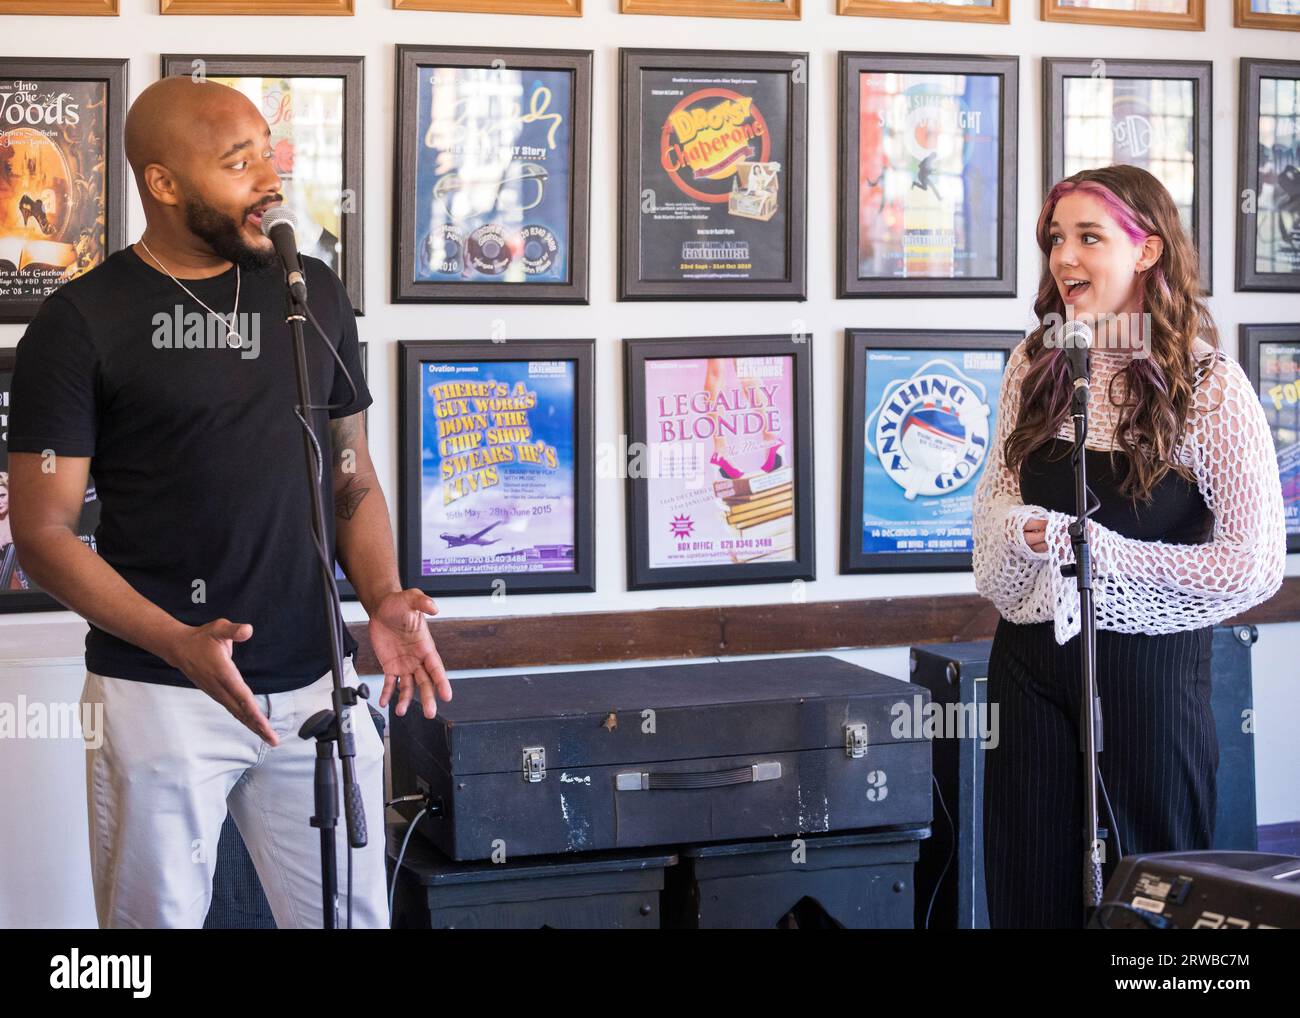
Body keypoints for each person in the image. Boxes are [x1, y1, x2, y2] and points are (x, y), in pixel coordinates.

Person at [6, 77, 452, 930]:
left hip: (319, 685)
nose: (268, 180)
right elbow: (42, 532)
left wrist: (385, 596)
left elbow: (351, 473)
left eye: (269, 155)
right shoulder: (79, 322)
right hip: (160, 696)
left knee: (349, 919)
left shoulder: (310, 292)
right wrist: (179, 642)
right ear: (164, 183)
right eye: (238, 161)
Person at [972, 164, 1287, 929]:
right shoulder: (1036, 363)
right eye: (1055, 238)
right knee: (1027, 877)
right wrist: (1028, 529)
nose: (1064, 259)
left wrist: (1107, 555)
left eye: (1089, 237)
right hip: (1029, 662)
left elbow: (1254, 561)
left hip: (1151, 676)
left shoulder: (1209, 386)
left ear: (1146, 251)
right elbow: (992, 507)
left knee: (1155, 891)